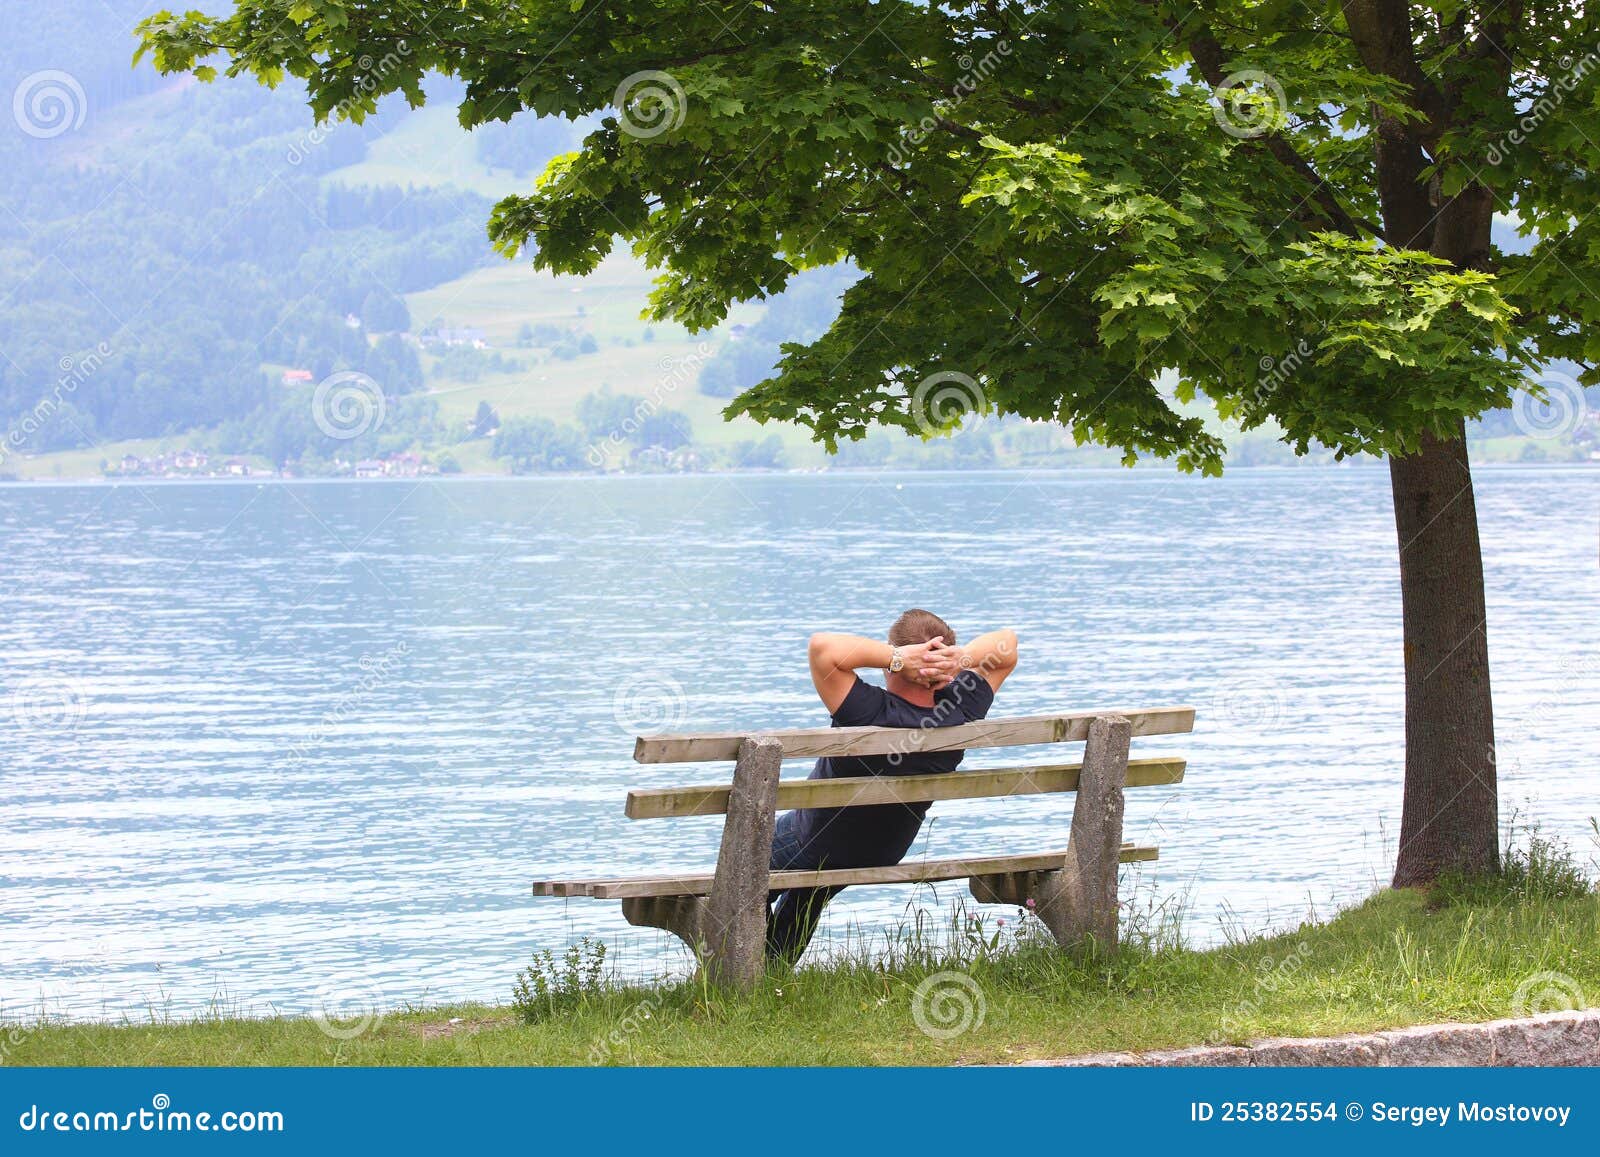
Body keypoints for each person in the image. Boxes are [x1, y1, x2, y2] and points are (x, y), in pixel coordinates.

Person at [766, 609, 1019, 962]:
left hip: (818, 839)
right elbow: (1007, 643)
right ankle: (769, 972)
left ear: (895, 663)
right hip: (885, 847)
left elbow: (822, 647)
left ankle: (739, 974)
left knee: (746, 862)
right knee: (806, 891)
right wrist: (957, 659)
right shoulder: (959, 709)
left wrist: (898, 657)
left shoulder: (866, 710)